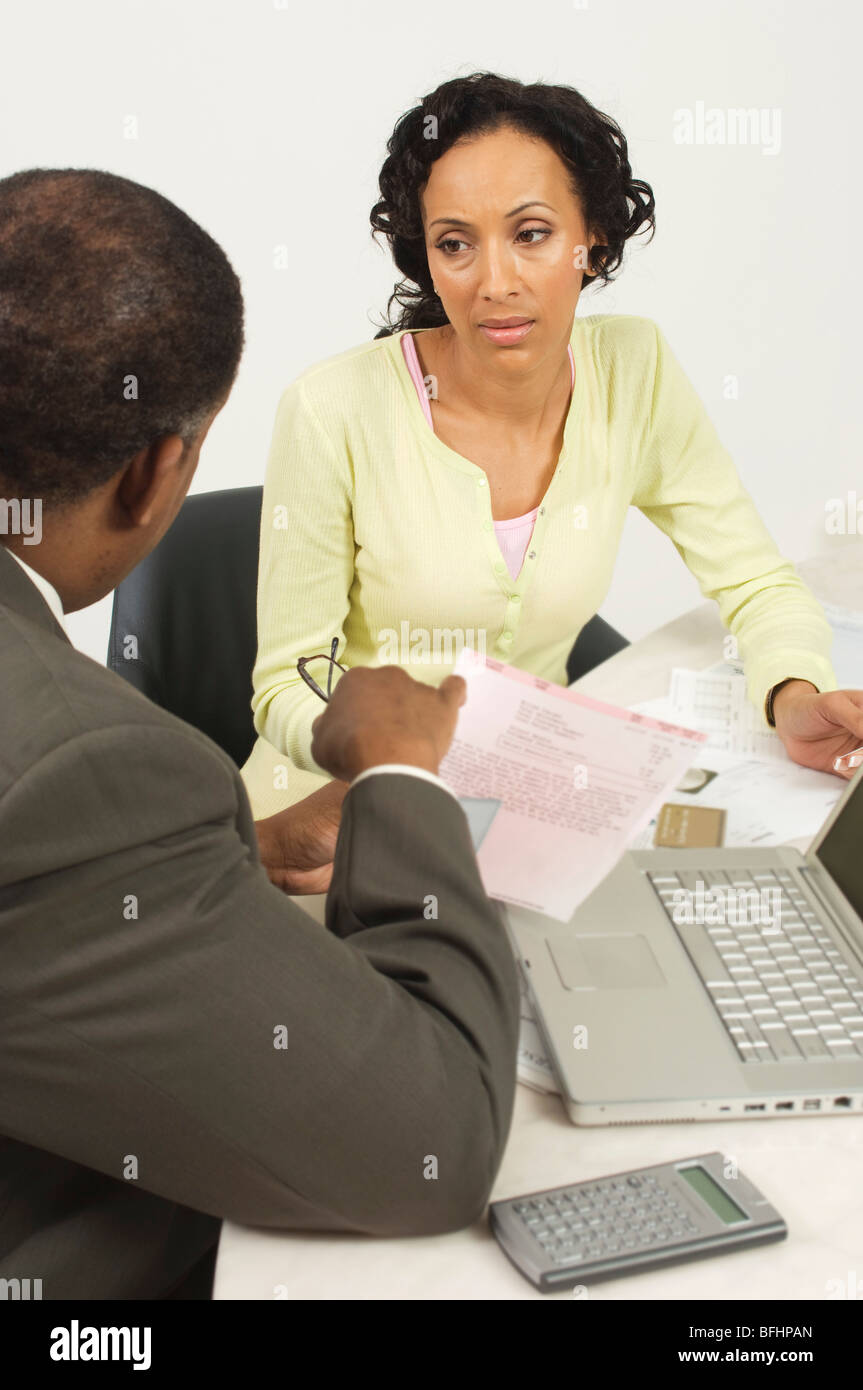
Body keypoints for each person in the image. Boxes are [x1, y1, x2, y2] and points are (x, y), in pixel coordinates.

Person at [0, 168, 520, 1300]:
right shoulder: (82, 774)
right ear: (155, 471)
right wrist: (399, 771)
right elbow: (433, 1144)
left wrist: (225, 846)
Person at [251, 71, 863, 792]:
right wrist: (389, 758)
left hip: (524, 803)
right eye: (455, 244)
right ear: (428, 259)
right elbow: (284, 688)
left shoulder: (633, 369)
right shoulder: (331, 409)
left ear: (592, 241)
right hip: (335, 811)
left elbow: (755, 581)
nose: (495, 281)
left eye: (531, 234)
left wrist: (791, 695)